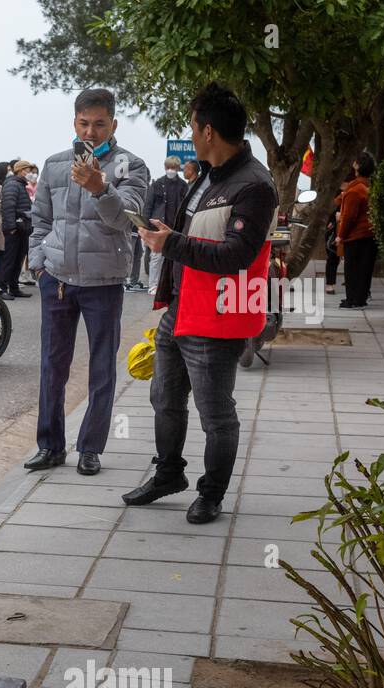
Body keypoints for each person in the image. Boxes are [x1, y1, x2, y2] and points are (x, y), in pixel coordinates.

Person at [124, 82, 277, 524]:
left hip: (220, 313)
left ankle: (211, 494)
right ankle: (169, 472)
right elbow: (194, 237)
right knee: (164, 396)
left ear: (208, 130)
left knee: (216, 414)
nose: (190, 133)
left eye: (193, 125)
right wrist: (166, 236)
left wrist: (170, 244)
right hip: (183, 308)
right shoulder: (206, 176)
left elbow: (237, 255)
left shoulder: (255, 185)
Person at [25, 88, 149, 477]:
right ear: (74, 123)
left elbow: (125, 220)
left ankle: (90, 448)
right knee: (52, 365)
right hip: (57, 279)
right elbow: (41, 219)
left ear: (113, 124)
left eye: (99, 124)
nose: (91, 132)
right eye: (84, 123)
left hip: (104, 281)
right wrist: (39, 263)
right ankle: (50, 445)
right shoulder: (55, 164)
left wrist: (99, 186)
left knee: (101, 368)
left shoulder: (133, 166)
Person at [337, 152, 377, 308]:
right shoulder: (369, 186)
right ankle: (360, 299)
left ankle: (351, 299)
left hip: (356, 236)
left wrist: (341, 236)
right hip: (370, 234)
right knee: (365, 270)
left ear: (358, 167)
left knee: (352, 269)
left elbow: (349, 217)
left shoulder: (355, 190)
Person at [144, 156, 188, 292]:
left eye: (174, 168)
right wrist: (145, 225)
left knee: (174, 258)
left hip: (175, 227)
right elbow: (148, 205)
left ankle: (171, 286)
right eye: (169, 167)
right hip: (158, 226)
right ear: (165, 167)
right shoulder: (157, 184)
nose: (171, 170)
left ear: (178, 168)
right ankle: (153, 285)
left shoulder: (183, 186)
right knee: (156, 257)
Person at [0, 160, 36, 300]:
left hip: (22, 229)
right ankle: (1, 288)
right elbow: (8, 207)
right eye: (28, 170)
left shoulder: (20, 185)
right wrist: (11, 227)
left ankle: (14, 287)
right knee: (9, 260)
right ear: (21, 170)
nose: (31, 173)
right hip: (14, 230)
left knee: (18, 259)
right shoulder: (12, 184)